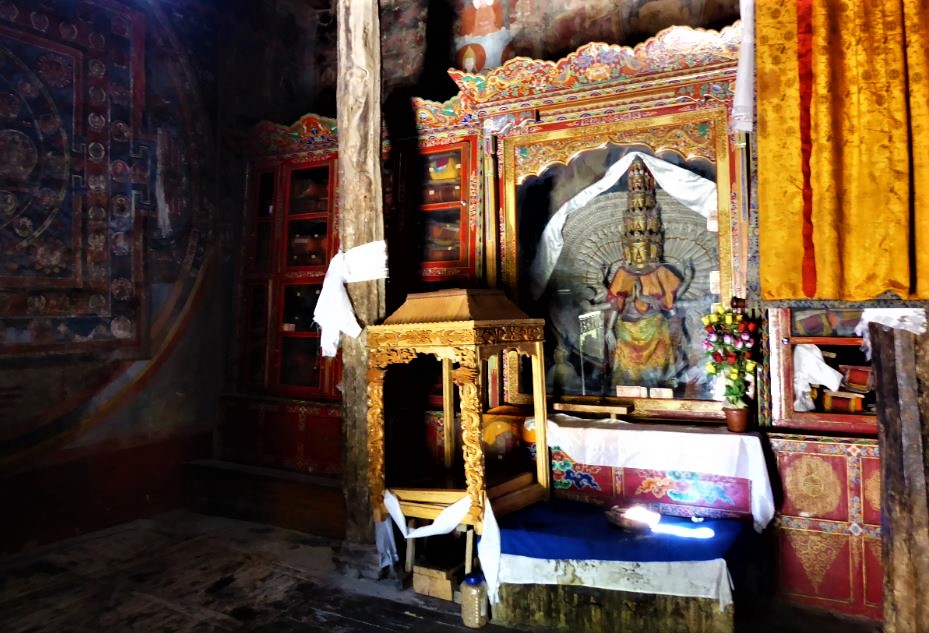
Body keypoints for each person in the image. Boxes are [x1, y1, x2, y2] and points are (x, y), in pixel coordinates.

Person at [606, 158, 692, 388]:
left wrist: (689, 276)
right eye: (635, 246)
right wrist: (608, 330)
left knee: (665, 337)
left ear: (654, 242)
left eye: (645, 246)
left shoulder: (660, 270)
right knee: (625, 353)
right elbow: (616, 304)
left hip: (654, 325)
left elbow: (674, 295)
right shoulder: (624, 272)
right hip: (628, 326)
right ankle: (629, 389)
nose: (640, 254)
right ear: (627, 244)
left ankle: (663, 384)